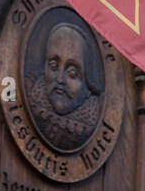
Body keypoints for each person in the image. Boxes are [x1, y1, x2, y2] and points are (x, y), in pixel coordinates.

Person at [24, 21, 103, 152]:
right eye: (54, 65)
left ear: (89, 84)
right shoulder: (28, 89)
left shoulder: (95, 116)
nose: (60, 79)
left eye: (72, 73)